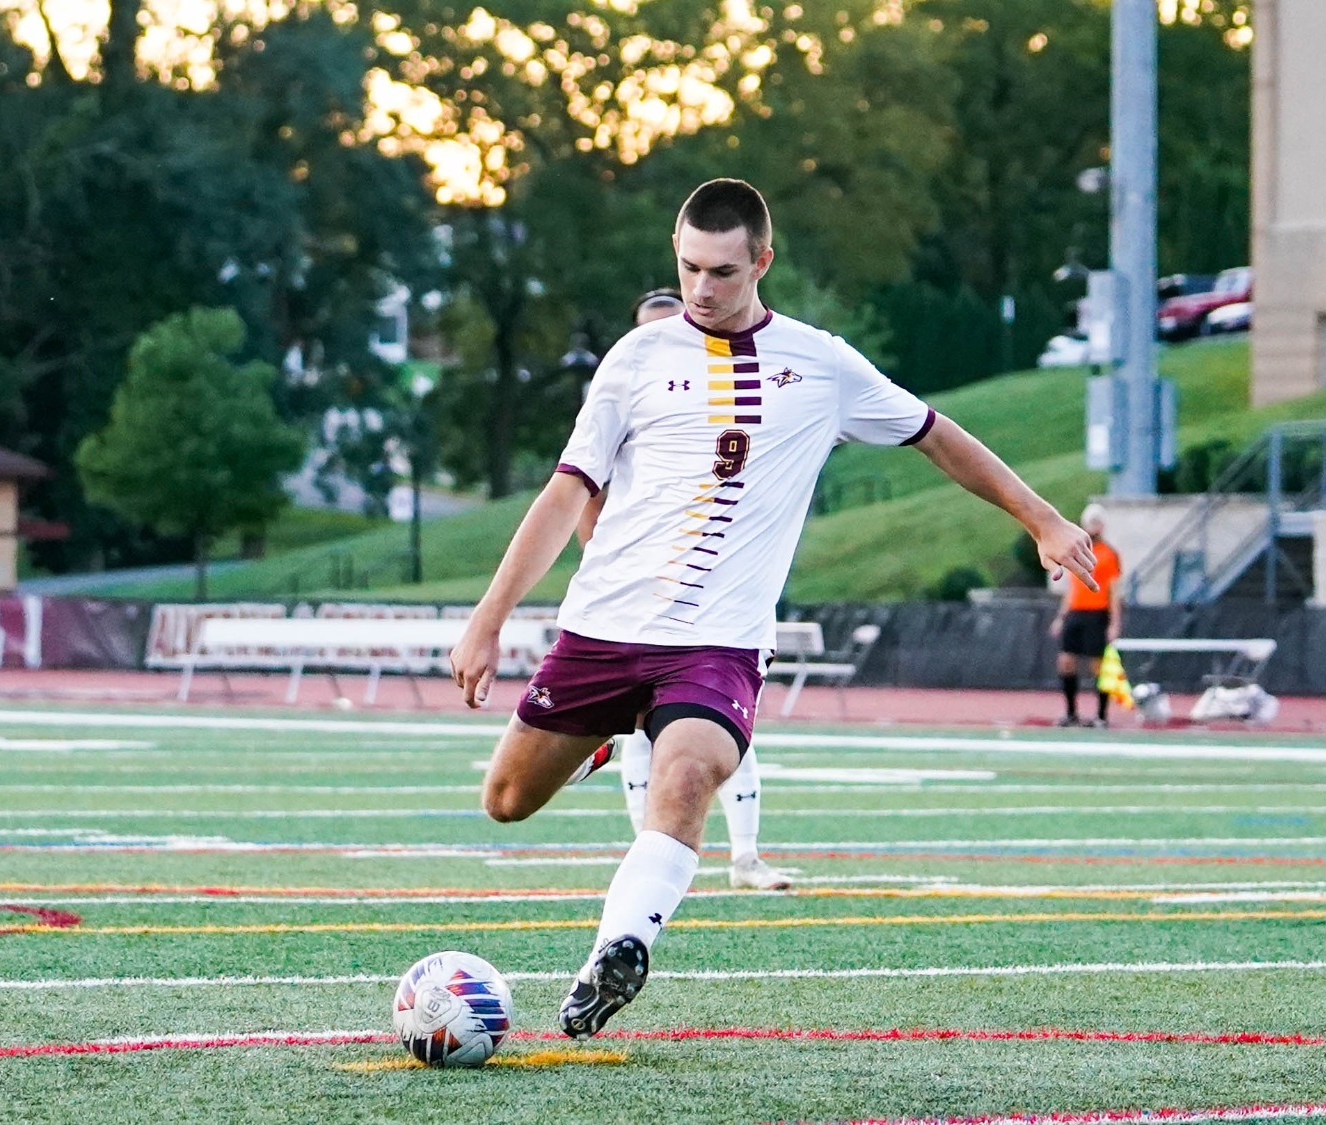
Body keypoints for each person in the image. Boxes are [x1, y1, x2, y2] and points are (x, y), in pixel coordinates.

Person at [449, 178, 1096, 1040]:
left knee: (685, 779)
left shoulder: (822, 363)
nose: (701, 290)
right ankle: (607, 733)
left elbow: (938, 434)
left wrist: (1042, 517)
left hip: (718, 644)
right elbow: (569, 489)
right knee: (506, 799)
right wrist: (491, 614)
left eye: (721, 271)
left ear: (763, 259)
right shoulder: (635, 359)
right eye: (687, 268)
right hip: (605, 628)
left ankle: (620, 948)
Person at [579, 287, 790, 892]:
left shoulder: (743, 396)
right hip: (642, 597)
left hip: (727, 597)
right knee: (640, 734)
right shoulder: (625, 394)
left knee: (728, 726)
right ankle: (649, 857)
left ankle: (745, 857)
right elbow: (582, 490)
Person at [1047, 502, 1122, 727]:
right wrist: (1061, 616)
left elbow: (1114, 591)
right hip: (1076, 612)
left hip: (1097, 613)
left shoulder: (1109, 554)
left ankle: (1101, 716)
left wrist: (1114, 622)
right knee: (1066, 661)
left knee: (1098, 666)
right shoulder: (1076, 551)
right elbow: (1072, 588)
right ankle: (1071, 713)